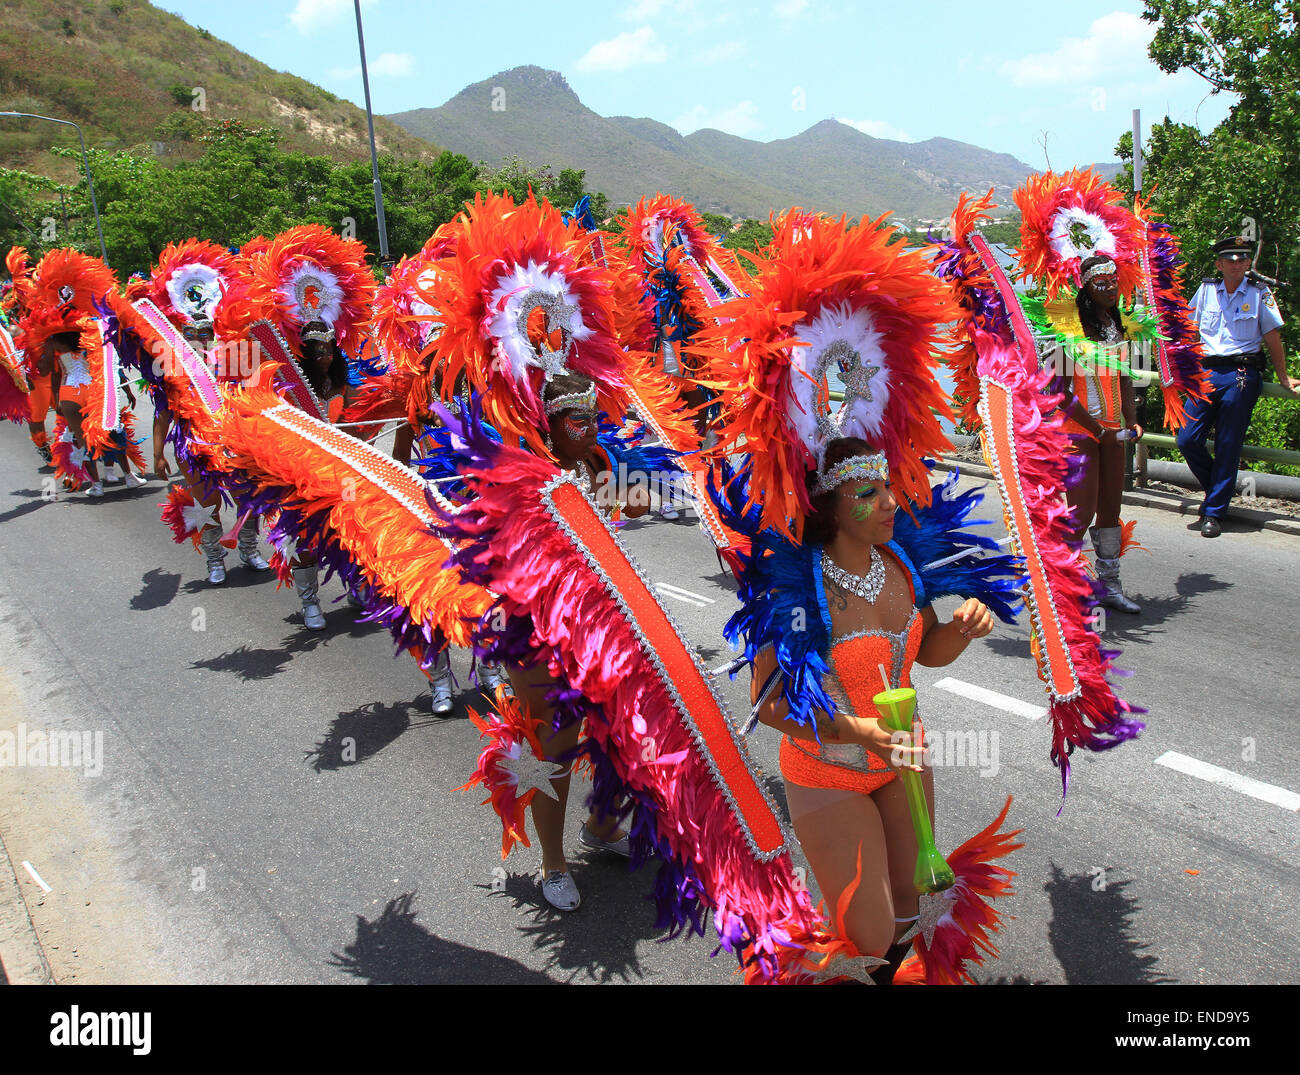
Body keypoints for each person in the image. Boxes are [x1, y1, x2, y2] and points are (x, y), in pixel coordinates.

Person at [750, 436, 995, 980]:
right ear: (828, 508)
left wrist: (961, 632)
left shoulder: (901, 564)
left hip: (903, 758)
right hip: (827, 770)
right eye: (868, 492)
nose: (888, 502)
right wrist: (857, 732)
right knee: (867, 929)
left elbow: (924, 650)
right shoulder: (795, 589)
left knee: (911, 906)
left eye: (888, 488)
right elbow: (767, 704)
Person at [1038, 253, 1145, 612]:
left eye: (1114, 281)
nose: (1111, 288)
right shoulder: (1067, 330)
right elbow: (1060, 395)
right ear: (1086, 288)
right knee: (1079, 513)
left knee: (1110, 511)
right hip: (1079, 433)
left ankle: (1109, 586)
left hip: (1115, 434)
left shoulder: (1119, 325)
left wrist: (1130, 421)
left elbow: (1126, 377)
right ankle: (1061, 590)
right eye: (1102, 283)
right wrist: (1099, 430)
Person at [1177, 235, 1293, 537]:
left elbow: (1272, 337)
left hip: (1241, 372)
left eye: (1243, 258)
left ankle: (1214, 513)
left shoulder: (1259, 293)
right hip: (1205, 371)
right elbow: (1189, 329)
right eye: (1231, 259)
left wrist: (1283, 377)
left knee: (1229, 443)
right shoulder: (1206, 290)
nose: (1237, 263)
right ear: (1219, 264)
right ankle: (1218, 490)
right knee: (1187, 439)